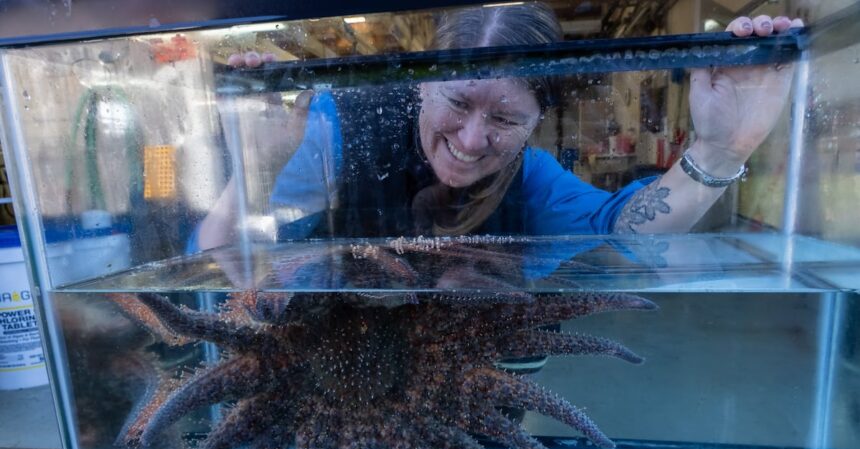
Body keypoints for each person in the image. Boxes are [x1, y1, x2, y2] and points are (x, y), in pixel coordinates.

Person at [196, 4, 804, 252]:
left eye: (507, 118)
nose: (471, 140)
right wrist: (256, 168)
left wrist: (724, 146)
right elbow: (213, 259)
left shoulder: (531, 177)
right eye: (458, 102)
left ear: (538, 123)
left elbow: (626, 233)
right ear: (422, 85)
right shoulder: (335, 130)